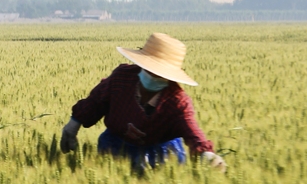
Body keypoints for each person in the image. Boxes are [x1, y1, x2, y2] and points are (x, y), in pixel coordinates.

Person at [59, 33, 226, 172]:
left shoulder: (177, 102)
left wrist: (206, 154)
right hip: (116, 145)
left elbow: (192, 130)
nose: (153, 76)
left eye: (160, 73)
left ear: (170, 77)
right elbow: (96, 101)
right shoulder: (122, 77)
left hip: (162, 153)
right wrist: (74, 124)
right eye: (150, 69)